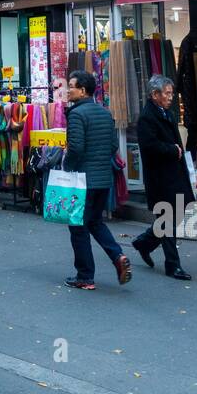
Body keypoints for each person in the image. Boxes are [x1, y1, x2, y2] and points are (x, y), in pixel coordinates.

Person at [62, 70, 132, 290]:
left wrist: (67, 166)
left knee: (78, 226)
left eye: (71, 86)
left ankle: (85, 276)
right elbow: (113, 146)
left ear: (83, 90)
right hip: (103, 180)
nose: (67, 90)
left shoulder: (76, 114)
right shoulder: (104, 113)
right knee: (95, 222)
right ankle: (117, 256)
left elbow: (76, 148)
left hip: (83, 180)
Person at [131, 74, 193, 281]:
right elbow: (148, 146)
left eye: (171, 93)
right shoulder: (148, 117)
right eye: (167, 93)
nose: (170, 97)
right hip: (161, 176)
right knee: (168, 220)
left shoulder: (166, 112)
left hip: (174, 173)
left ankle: (144, 242)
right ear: (154, 94)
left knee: (174, 216)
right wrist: (171, 150)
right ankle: (172, 265)